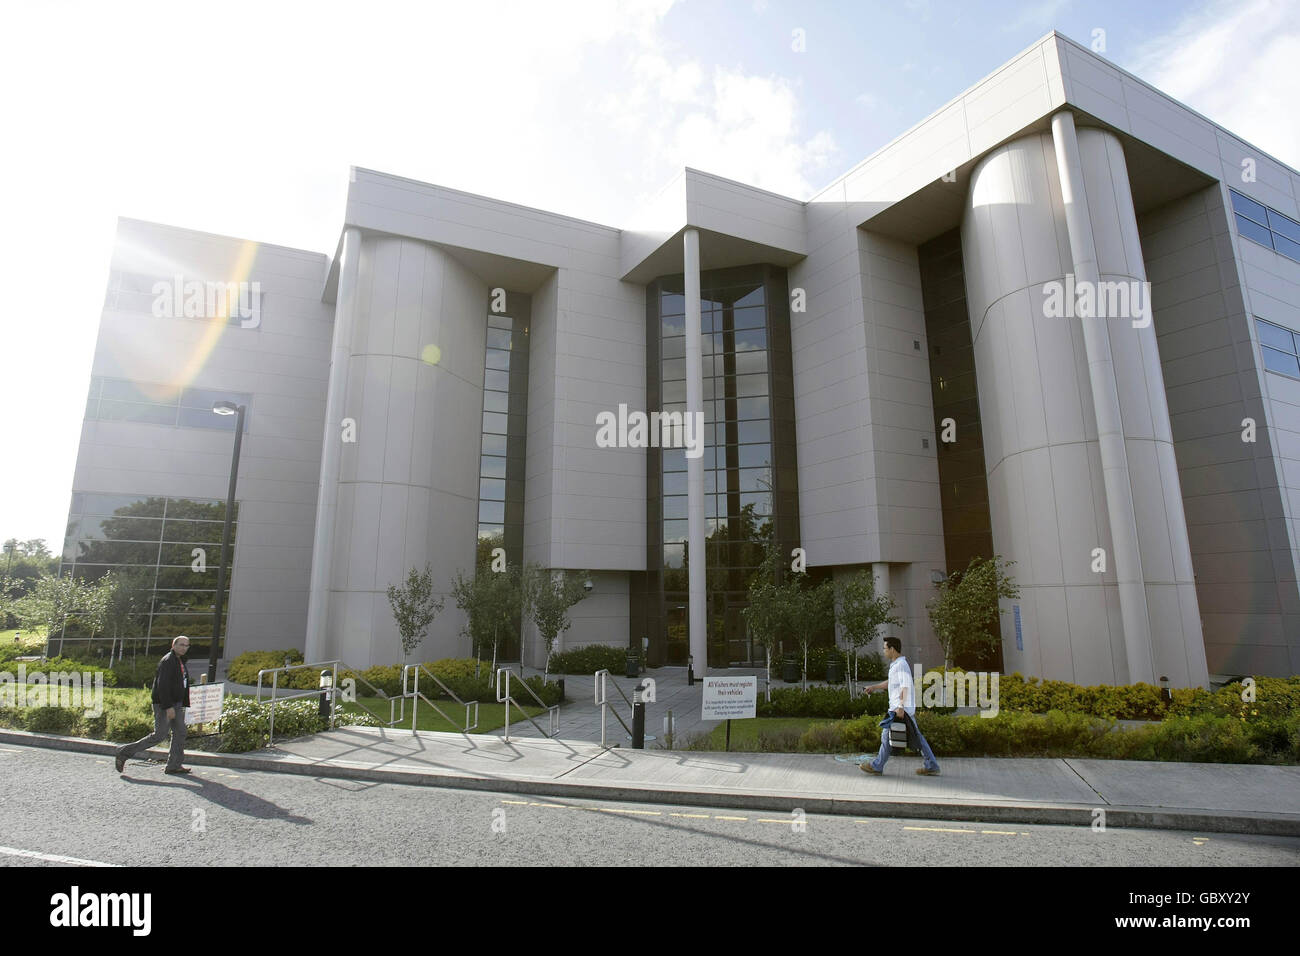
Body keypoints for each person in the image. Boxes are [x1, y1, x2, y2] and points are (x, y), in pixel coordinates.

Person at [860, 636, 940, 776]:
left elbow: (905, 686)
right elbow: (892, 683)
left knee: (887, 735)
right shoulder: (897, 665)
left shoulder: (901, 665)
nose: (884, 651)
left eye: (885, 648)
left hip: (901, 709)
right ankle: (931, 765)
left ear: (892, 649)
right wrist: (874, 687)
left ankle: (877, 766)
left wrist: (901, 706)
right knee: (915, 737)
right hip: (899, 708)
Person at [114, 635, 192, 775]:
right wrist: (168, 707)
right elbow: (162, 686)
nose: (184, 648)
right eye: (181, 645)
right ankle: (124, 752)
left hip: (176, 704)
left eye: (186, 645)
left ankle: (174, 765)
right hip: (165, 704)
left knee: (180, 732)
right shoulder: (168, 661)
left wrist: (182, 704)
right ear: (173, 645)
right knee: (159, 735)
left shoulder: (179, 660)